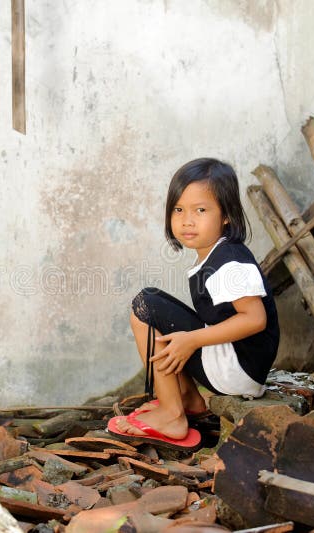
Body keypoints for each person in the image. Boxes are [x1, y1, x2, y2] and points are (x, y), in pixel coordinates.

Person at [107, 158, 280, 451]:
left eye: (200, 210)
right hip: (235, 363)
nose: (187, 220)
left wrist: (192, 339)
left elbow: (254, 319)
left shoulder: (229, 262)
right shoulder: (215, 254)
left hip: (239, 369)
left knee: (144, 307)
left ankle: (172, 414)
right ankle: (187, 398)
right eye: (179, 210)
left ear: (226, 214)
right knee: (153, 300)